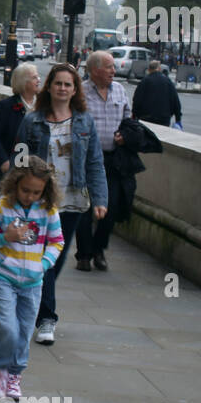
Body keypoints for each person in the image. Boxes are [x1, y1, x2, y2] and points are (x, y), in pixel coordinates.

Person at [15, 63, 107, 345]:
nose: (63, 89)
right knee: (41, 259)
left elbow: (94, 162)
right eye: (58, 84)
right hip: (37, 202)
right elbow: (19, 160)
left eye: (68, 84)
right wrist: (9, 198)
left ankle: (32, 305)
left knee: (53, 260)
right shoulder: (32, 121)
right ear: (49, 87)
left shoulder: (84, 121)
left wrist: (100, 198)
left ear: (75, 89)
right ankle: (46, 319)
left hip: (72, 201)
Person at [0, 157, 64, 400]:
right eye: (25, 190)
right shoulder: (0, 207)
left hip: (34, 282)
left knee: (25, 331)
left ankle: (15, 375)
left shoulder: (48, 211)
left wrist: (43, 264)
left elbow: (57, 242)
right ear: (15, 184)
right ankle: (1, 370)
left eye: (36, 192)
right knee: (8, 327)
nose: (30, 196)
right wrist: (5, 237)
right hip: (5, 277)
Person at [74, 49, 130, 272]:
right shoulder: (81, 93)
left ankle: (99, 249)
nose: (113, 71)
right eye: (109, 67)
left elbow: (128, 119)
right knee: (85, 208)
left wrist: (125, 135)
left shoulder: (119, 90)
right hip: (86, 159)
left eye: (113, 67)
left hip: (113, 158)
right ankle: (84, 254)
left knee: (111, 207)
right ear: (95, 70)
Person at [0, 63, 41, 192]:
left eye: (38, 77)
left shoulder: (42, 106)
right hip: (10, 167)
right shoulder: (6, 106)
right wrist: (3, 161)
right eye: (34, 77)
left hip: (35, 169)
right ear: (24, 82)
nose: (39, 80)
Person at [132, 59, 182, 128]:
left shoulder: (144, 81)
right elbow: (175, 101)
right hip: (163, 119)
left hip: (146, 118)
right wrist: (178, 119)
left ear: (149, 70)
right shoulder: (168, 81)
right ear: (159, 69)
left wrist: (135, 115)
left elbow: (137, 99)